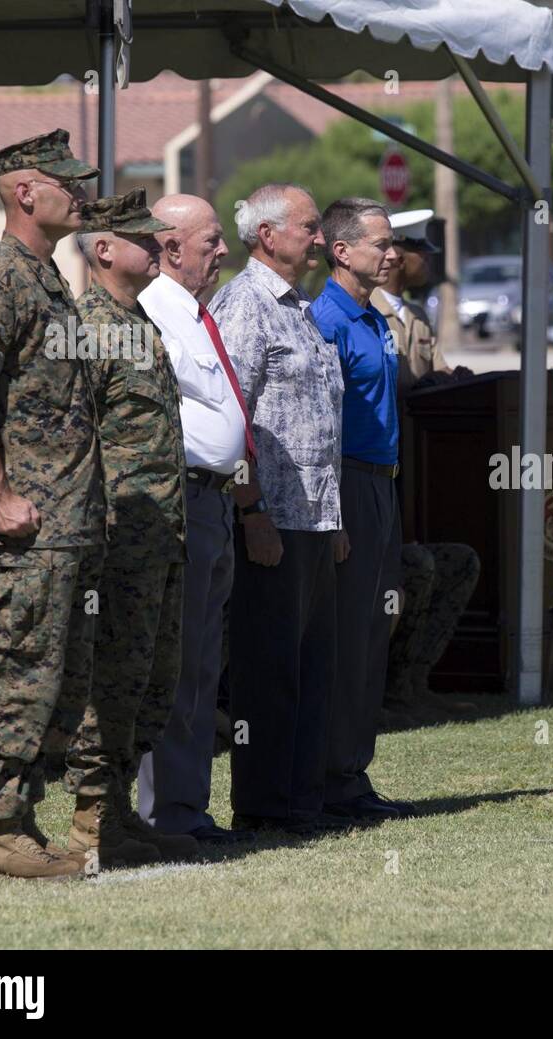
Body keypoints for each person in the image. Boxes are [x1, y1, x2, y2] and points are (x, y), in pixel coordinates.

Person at [0, 128, 102, 881]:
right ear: (26, 193)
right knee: (18, 676)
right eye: (67, 182)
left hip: (64, 522)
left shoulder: (46, 278)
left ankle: (23, 820)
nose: (82, 194)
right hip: (27, 527)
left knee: (54, 680)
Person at [60, 189, 196, 868]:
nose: (159, 247)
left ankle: (121, 815)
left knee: (151, 681)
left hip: (162, 538)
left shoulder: (139, 321)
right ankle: (93, 822)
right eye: (145, 239)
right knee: (111, 682)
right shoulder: (87, 329)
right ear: (106, 249)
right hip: (117, 544)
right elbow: (70, 441)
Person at [211, 183, 348, 836]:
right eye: (310, 226)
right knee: (269, 673)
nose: (320, 238)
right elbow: (229, 417)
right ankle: (265, 806)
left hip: (314, 517)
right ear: (267, 235)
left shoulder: (299, 307)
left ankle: (303, 801)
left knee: (312, 668)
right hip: (271, 520)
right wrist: (252, 510)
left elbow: (318, 417)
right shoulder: (245, 304)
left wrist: (335, 518)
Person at [136, 193, 254, 845]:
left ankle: (189, 807)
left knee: (204, 663)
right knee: (178, 665)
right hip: (179, 500)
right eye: (211, 240)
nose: (224, 251)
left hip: (213, 499)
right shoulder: (153, 313)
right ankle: (167, 813)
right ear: (172, 247)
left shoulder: (194, 313)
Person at [310, 196, 415, 822]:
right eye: (382, 243)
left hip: (381, 484)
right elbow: (318, 424)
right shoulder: (326, 320)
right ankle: (333, 778)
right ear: (342, 251)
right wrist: (336, 513)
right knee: (349, 636)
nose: (393, 254)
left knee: (373, 631)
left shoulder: (374, 317)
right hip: (348, 482)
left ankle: (350, 771)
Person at [368, 210, 479, 724]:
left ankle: (410, 686)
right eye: (422, 252)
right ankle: (380, 692)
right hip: (380, 471)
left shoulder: (413, 315)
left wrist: (451, 382)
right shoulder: (365, 312)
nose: (429, 262)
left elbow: (430, 375)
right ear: (398, 255)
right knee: (405, 573)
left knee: (446, 563)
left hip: (418, 470)